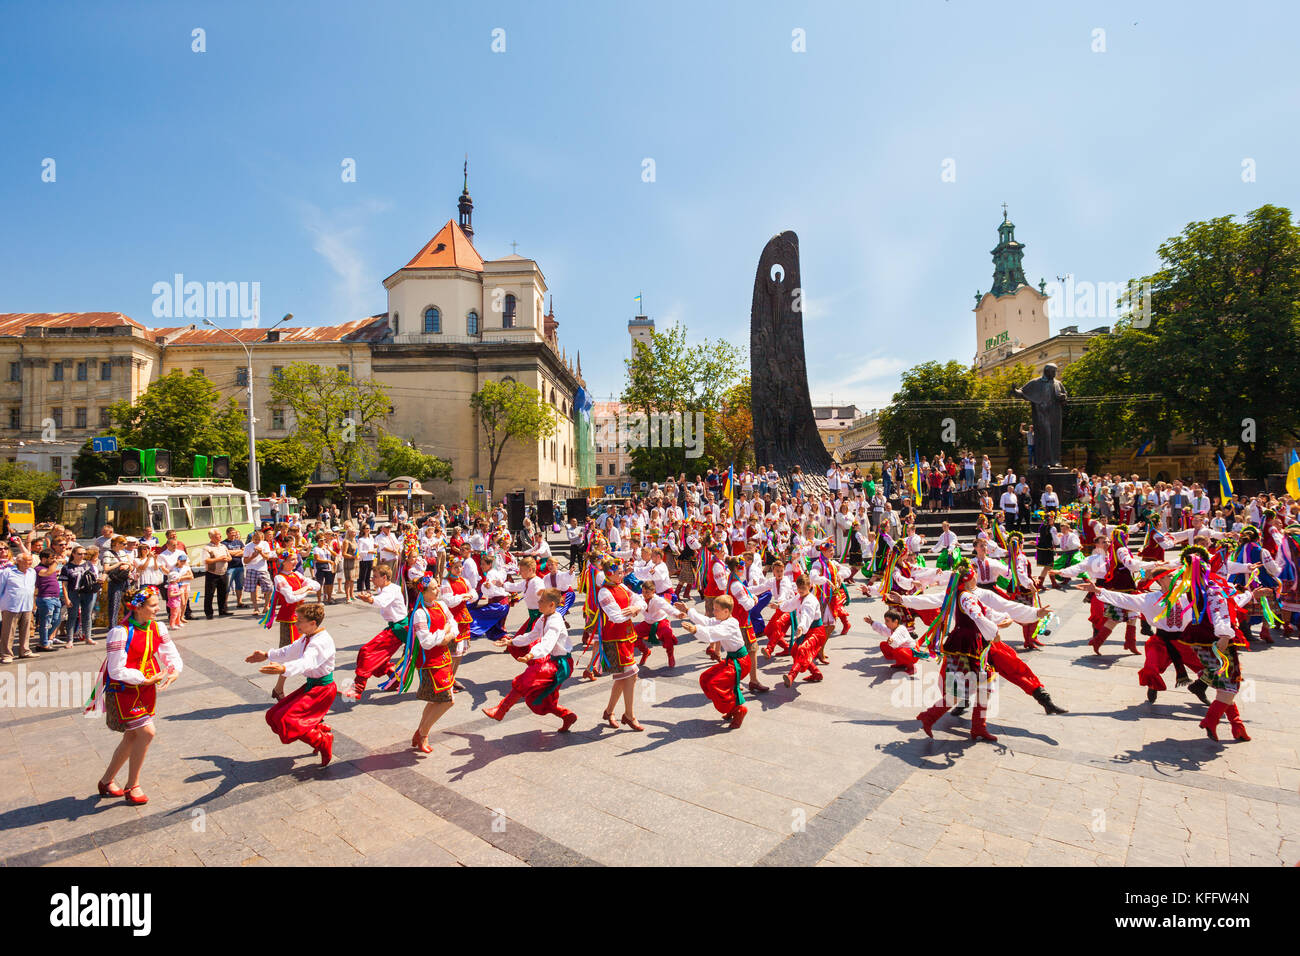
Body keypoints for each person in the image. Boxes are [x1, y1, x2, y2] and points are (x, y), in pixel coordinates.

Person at [88, 585, 182, 805]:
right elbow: (116, 669)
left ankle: (106, 781)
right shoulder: (119, 632)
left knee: (133, 736)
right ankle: (133, 785)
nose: (158, 609)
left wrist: (174, 670)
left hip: (148, 688)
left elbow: (170, 653)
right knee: (147, 733)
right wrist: (143, 678)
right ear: (137, 608)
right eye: (153, 605)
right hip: (125, 689)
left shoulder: (158, 628)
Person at [246, 602, 336, 766]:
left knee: (287, 720)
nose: (296, 623)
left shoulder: (320, 642)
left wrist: (284, 668)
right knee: (273, 715)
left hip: (322, 690)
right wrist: (267, 655)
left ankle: (323, 741)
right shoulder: (307, 638)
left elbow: (307, 662)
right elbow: (289, 651)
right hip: (312, 686)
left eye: (300, 620)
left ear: (312, 623)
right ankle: (318, 729)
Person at [483, 587, 579, 732]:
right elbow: (531, 636)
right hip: (553, 661)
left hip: (562, 664)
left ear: (551, 605)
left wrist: (531, 655)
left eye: (541, 601)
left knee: (527, 678)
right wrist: (511, 641)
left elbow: (547, 643)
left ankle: (500, 710)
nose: (538, 603)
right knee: (539, 700)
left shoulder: (555, 622)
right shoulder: (544, 618)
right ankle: (567, 716)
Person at [683, 594, 750, 727]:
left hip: (740, 663)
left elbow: (712, 633)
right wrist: (688, 611)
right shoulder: (722, 620)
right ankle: (732, 708)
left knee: (715, 684)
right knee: (706, 678)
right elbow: (707, 622)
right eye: (713, 609)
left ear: (726, 611)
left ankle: (739, 709)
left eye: (716, 610)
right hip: (732, 660)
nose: (713, 612)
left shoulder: (730, 624)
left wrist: (695, 629)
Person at [343, 563, 408, 699]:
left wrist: (370, 599)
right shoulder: (388, 588)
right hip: (395, 627)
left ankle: (357, 688)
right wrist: (371, 598)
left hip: (398, 629)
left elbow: (382, 601)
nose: (372, 579)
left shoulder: (390, 590)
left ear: (384, 578)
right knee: (380, 658)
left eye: (375, 577)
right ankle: (395, 678)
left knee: (367, 652)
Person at [266, 551, 322, 700]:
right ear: (283, 562)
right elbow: (290, 598)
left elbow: (316, 585)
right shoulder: (279, 577)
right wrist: (305, 589)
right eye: (291, 560)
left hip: (299, 617)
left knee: (302, 652)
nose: (295, 562)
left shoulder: (296, 575)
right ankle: (282, 689)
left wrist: (304, 589)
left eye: (295, 559)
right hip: (288, 619)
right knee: (289, 655)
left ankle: (281, 688)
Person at [0, 549, 36, 662]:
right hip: (11, 606)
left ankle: (25, 651)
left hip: (27, 605)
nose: (30, 563)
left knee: (25, 630)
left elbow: (32, 588)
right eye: (27, 561)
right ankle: (6, 654)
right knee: (9, 632)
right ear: (19, 561)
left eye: (30, 560)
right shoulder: (7, 572)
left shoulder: (32, 572)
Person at [60, 543, 99, 645]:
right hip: (74, 592)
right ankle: (70, 639)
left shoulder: (88, 564)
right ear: (73, 554)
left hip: (88, 592)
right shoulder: (67, 567)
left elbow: (93, 577)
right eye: (79, 554)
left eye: (84, 553)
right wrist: (67, 599)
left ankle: (88, 637)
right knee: (72, 615)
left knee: (87, 615)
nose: (82, 556)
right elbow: (64, 585)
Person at [199, 530, 232, 619]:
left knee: (223, 593)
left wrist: (227, 559)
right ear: (211, 537)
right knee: (209, 594)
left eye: (220, 536)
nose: (220, 537)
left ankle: (222, 611)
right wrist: (219, 559)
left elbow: (230, 557)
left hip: (223, 573)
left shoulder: (223, 546)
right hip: (212, 573)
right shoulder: (207, 548)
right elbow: (206, 560)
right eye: (217, 536)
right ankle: (209, 613)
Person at [223, 527, 246, 609]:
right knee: (227, 586)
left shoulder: (239, 542)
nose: (234, 534)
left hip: (239, 566)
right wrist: (238, 552)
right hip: (229, 567)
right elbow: (226, 553)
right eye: (232, 533)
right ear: (227, 533)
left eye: (234, 533)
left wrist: (232, 553)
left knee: (239, 586)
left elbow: (244, 552)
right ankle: (224, 603)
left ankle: (239, 602)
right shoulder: (224, 543)